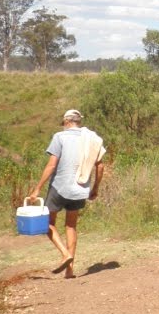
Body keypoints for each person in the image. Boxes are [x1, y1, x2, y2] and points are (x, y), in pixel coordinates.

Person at [28, 109, 105, 278]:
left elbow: (51, 165)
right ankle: (70, 271)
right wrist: (95, 188)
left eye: (63, 122)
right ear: (79, 121)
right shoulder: (91, 139)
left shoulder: (60, 137)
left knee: (47, 223)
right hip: (80, 189)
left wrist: (37, 188)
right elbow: (100, 166)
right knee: (71, 226)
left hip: (60, 187)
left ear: (67, 121)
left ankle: (65, 254)